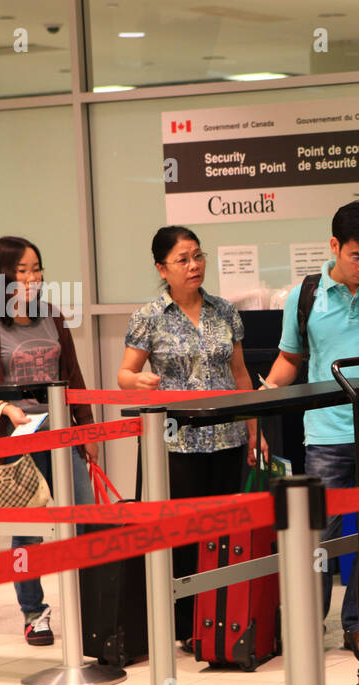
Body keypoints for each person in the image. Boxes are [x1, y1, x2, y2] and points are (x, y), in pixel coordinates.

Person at [261, 199, 359, 657]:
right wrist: (263, 395)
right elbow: (290, 359)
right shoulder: (305, 295)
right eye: (357, 256)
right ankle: (304, 624)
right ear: (335, 245)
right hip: (325, 434)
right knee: (316, 537)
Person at [0, 236, 98, 645]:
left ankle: (95, 604)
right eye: (22, 270)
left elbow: (72, 375)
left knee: (85, 518)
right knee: (29, 530)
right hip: (16, 442)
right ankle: (34, 613)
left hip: (61, 435)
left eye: (37, 269)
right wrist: (4, 406)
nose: (33, 277)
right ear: (1, 275)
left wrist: (86, 429)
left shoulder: (52, 316)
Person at [118, 226, 259, 645]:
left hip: (227, 438)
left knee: (223, 532)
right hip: (176, 443)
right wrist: (137, 382)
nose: (194, 265)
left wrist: (255, 430)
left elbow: (239, 374)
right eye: (183, 259)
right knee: (181, 534)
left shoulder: (224, 310)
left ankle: (221, 616)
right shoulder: (148, 316)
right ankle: (183, 624)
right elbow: (125, 373)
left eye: (198, 256)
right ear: (162, 268)